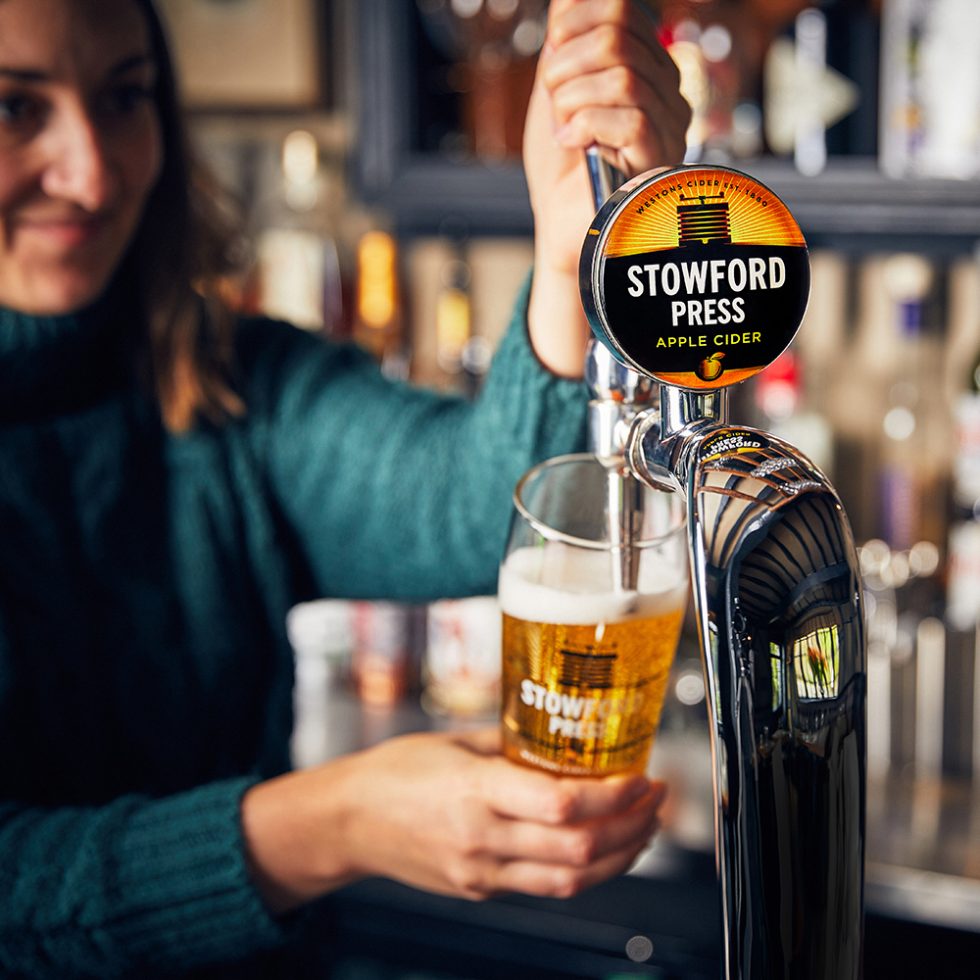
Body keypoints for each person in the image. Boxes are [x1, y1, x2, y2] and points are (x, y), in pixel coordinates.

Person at [0, 0, 690, 976]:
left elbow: (482, 504)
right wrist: (329, 824)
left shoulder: (225, 378)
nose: (94, 170)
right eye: (13, 109)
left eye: (123, 97)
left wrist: (562, 244)